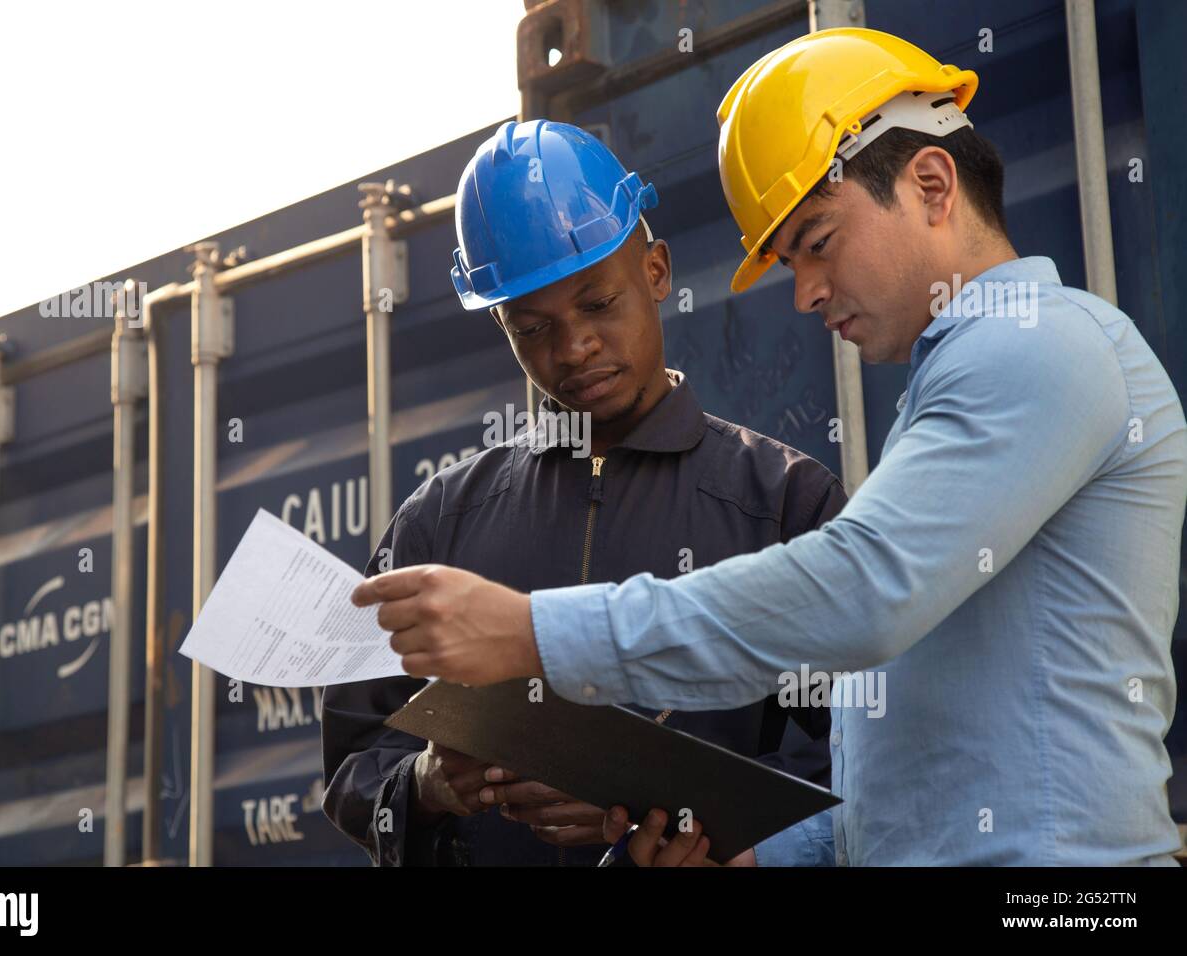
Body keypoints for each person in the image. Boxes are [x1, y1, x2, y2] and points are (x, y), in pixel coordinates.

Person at [353, 29, 1187, 866]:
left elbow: (863, 591)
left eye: (817, 243)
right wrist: (751, 858)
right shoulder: (957, 391)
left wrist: (533, 633)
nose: (808, 293)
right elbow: (908, 797)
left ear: (932, 185)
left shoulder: (1038, 345)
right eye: (790, 263)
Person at [322, 119, 846, 867]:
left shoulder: (787, 505)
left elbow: (863, 765)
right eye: (532, 328)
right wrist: (429, 784)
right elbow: (353, 767)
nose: (573, 348)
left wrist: (723, 845)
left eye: (598, 305)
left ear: (657, 272)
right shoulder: (437, 525)